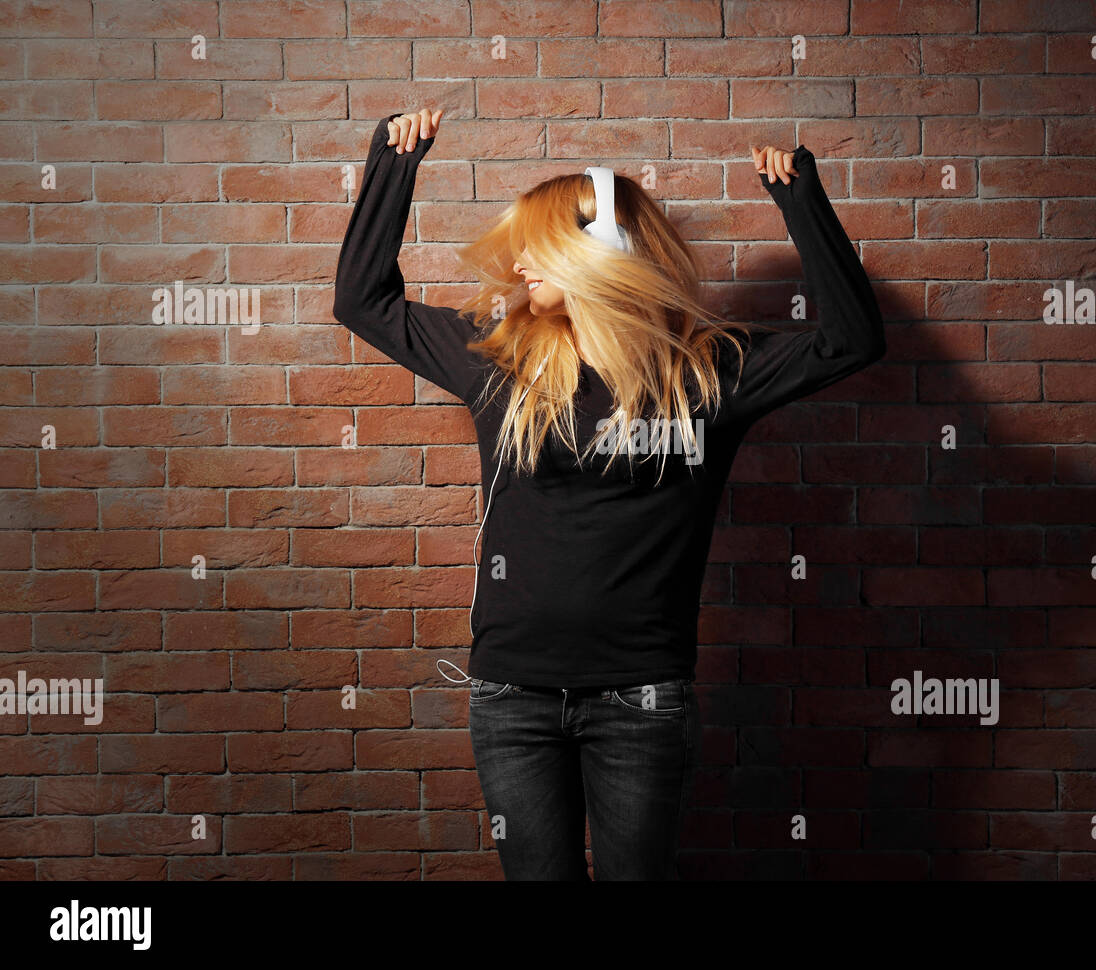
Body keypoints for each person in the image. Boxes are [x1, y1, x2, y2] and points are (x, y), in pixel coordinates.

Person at [332, 107, 886, 880]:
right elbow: (364, 303)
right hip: (511, 699)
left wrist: (801, 202)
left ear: (602, 251)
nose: (521, 264)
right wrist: (394, 165)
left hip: (642, 702)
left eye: (540, 246)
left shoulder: (707, 375)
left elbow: (853, 340)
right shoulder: (500, 364)